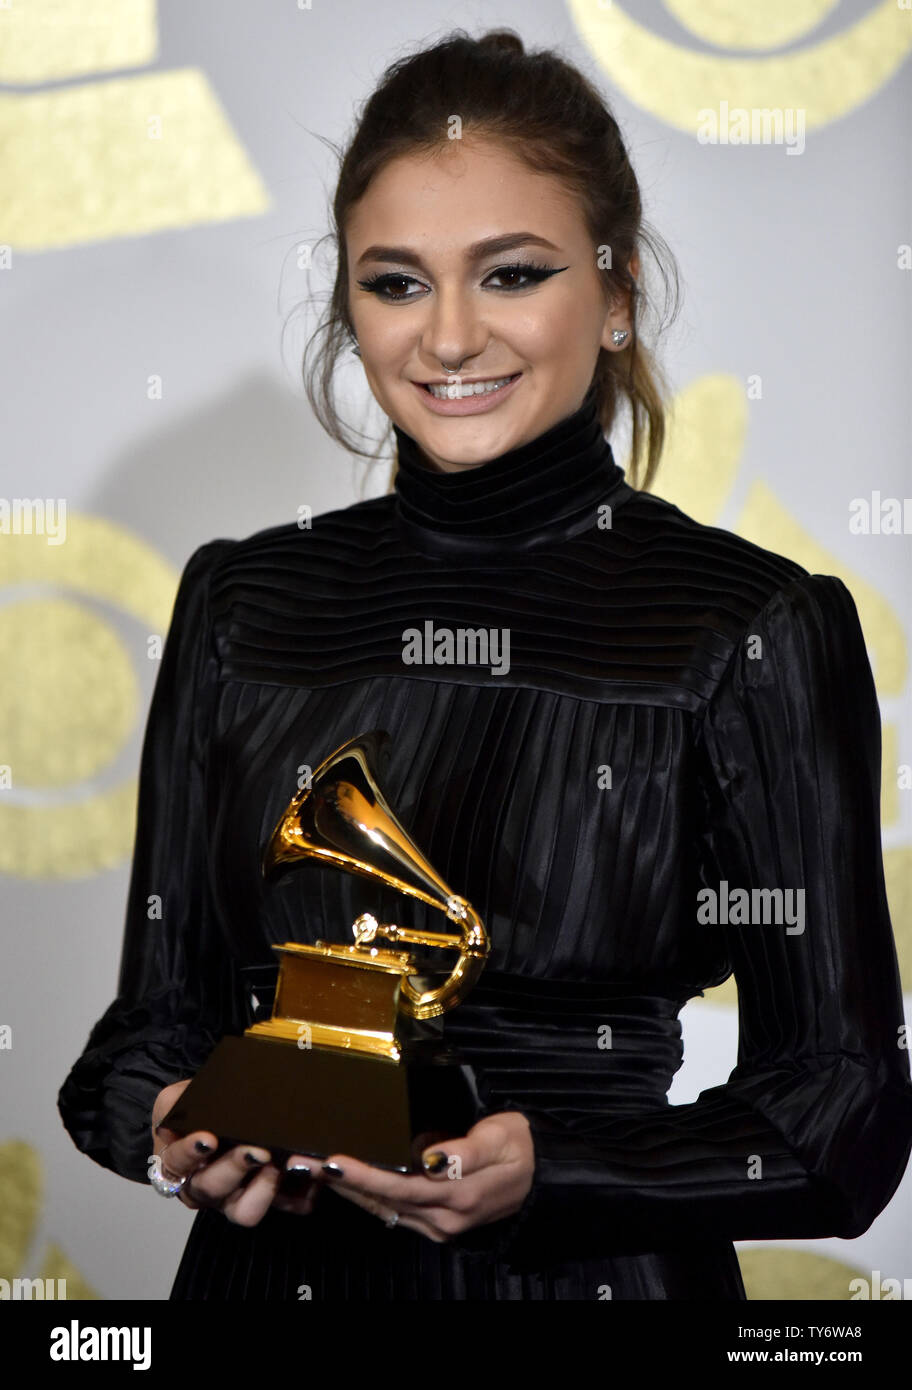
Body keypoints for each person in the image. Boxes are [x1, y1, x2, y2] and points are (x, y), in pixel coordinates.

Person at [58, 28, 912, 1301]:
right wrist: (175, 1125)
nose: (449, 338)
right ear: (346, 305)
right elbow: (146, 1030)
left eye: (511, 274)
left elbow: (841, 1108)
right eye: (395, 283)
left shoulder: (754, 626)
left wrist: (558, 1172)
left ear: (617, 296)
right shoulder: (240, 598)